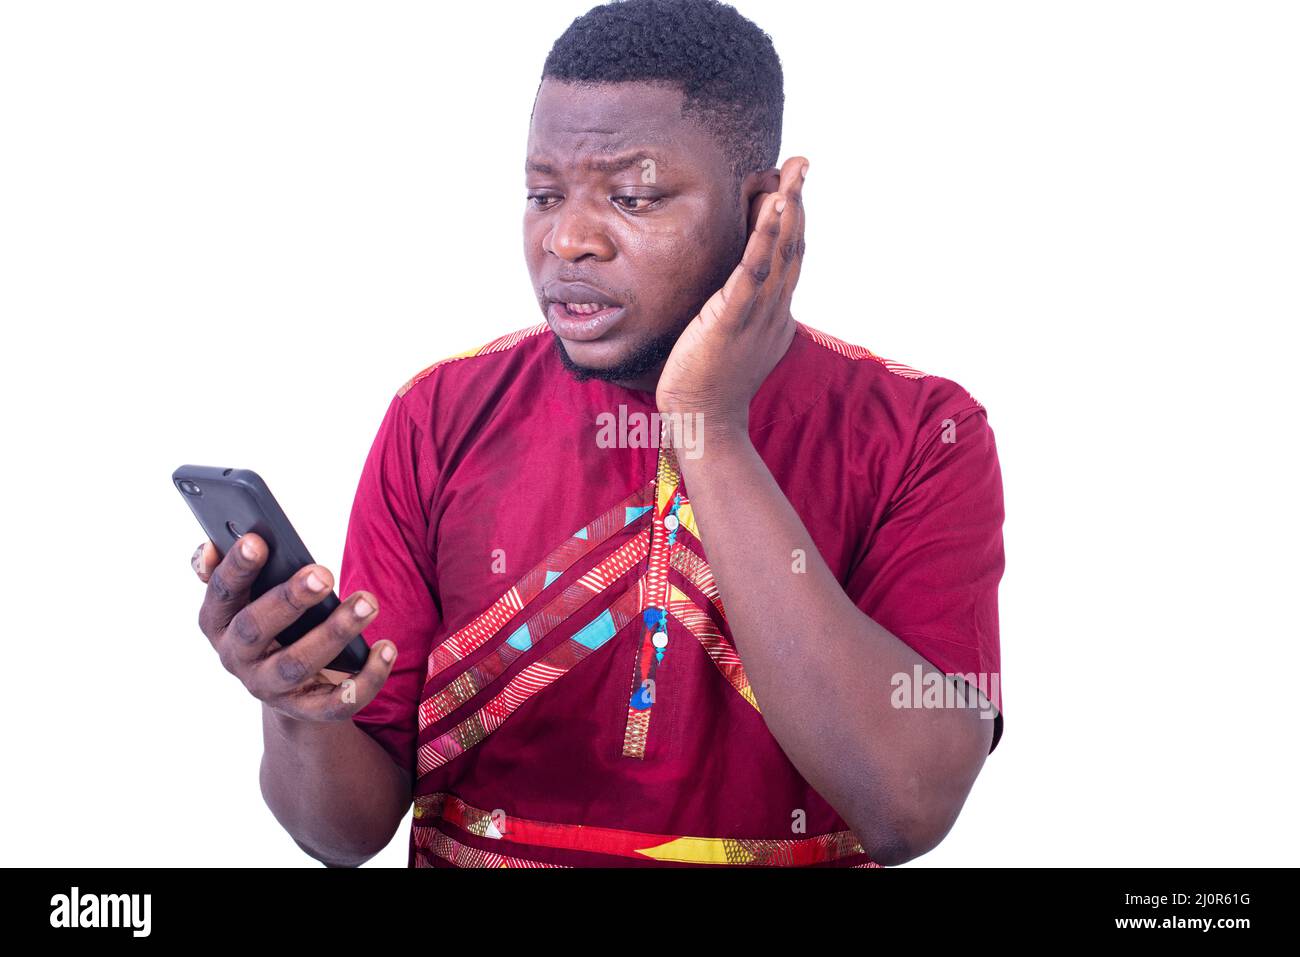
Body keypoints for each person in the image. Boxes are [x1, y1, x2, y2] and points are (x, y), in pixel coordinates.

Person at [190, 0, 1004, 868]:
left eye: (635, 196)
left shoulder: (920, 430)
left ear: (766, 206)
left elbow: (908, 806)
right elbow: (343, 833)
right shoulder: (438, 415)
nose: (567, 239)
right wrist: (295, 702)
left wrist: (709, 426)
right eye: (543, 194)